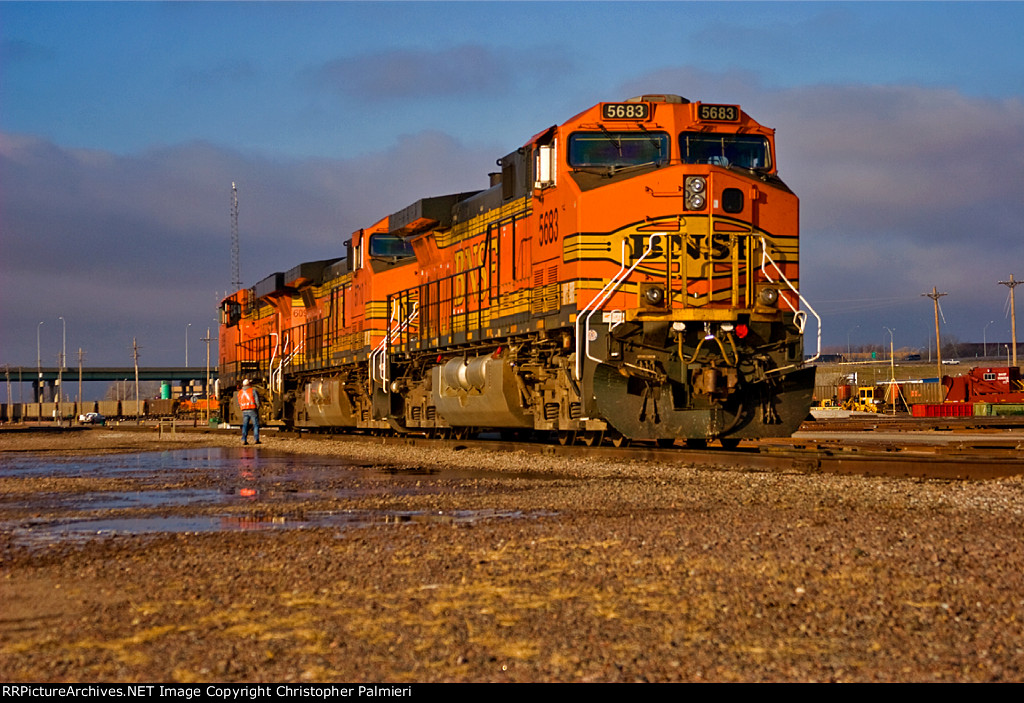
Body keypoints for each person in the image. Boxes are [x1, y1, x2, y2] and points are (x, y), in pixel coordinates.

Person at [238, 379, 261, 445]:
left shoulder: (240, 392)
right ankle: (256, 439)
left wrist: (242, 408)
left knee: (245, 425)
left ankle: (244, 439)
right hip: (252, 410)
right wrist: (257, 408)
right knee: (256, 425)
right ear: (249, 384)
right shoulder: (253, 391)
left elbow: (239, 402)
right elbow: (257, 401)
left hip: (244, 410)